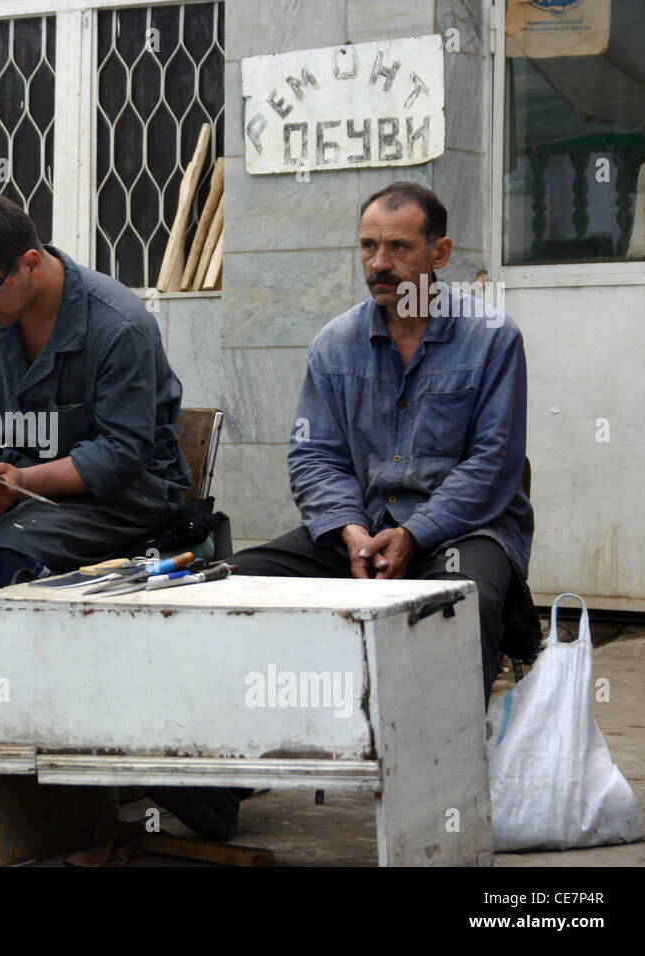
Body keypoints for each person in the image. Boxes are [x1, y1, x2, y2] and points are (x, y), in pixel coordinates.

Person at [209, 182, 537, 839]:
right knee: (236, 584)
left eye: (398, 247)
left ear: (439, 252)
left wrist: (415, 533)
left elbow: (493, 466)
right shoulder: (335, 346)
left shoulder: (492, 339)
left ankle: (438, 798)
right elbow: (314, 459)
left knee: (456, 602)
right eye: (368, 246)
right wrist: (353, 530)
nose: (379, 262)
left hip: (465, 526)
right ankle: (220, 780)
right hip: (360, 530)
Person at [0, 193, 191, 845]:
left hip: (130, 499)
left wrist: (25, 480)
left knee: (12, 543)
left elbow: (121, 456)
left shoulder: (117, 325)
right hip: (27, 487)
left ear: (29, 264)